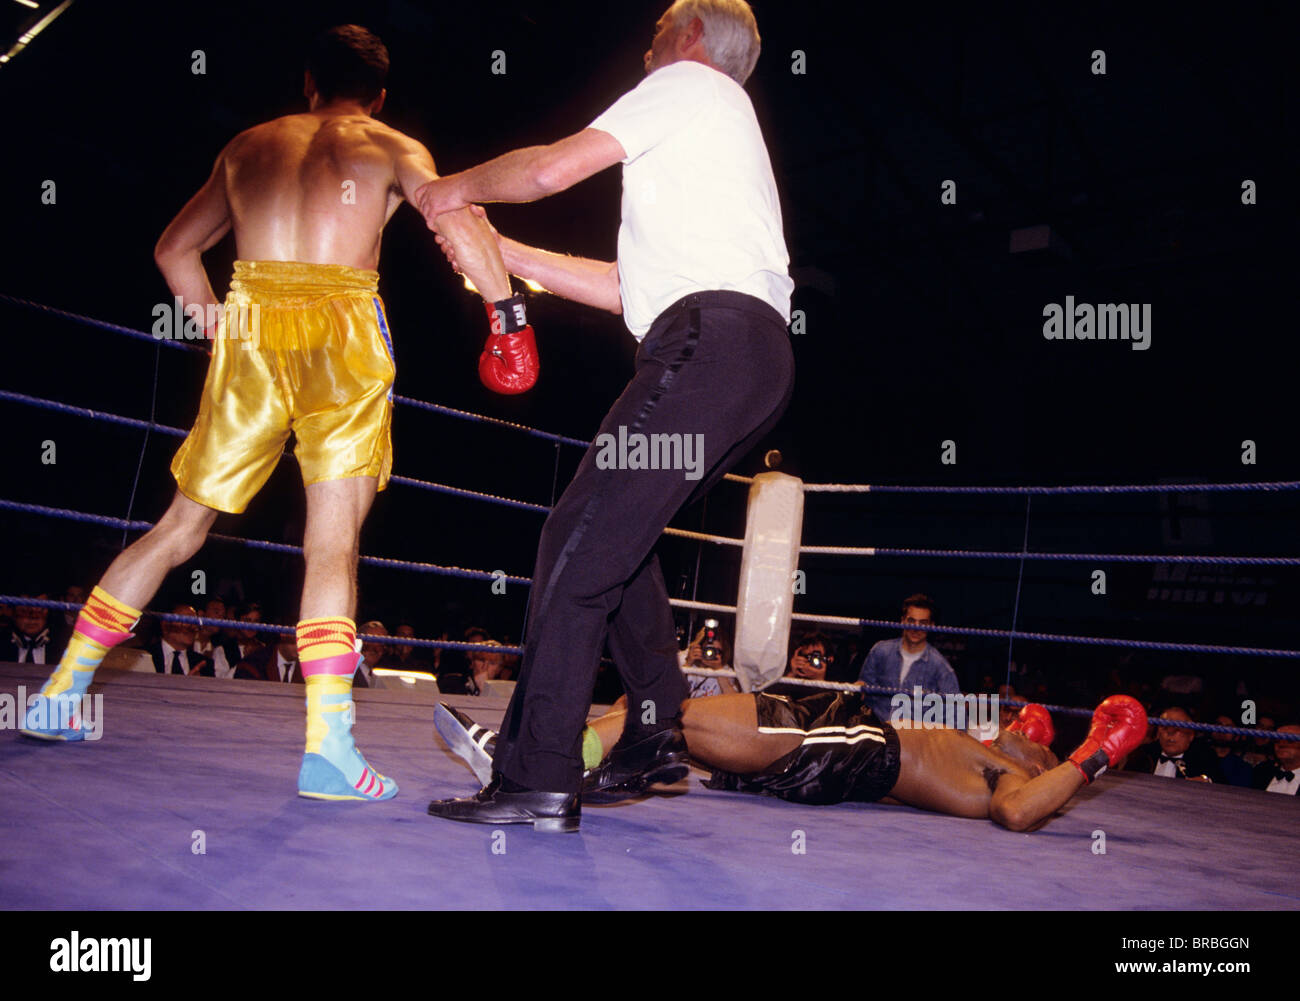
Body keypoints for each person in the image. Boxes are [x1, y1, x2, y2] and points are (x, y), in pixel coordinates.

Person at [20, 25, 524, 804]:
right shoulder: (392, 145)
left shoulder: (247, 147)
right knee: (333, 537)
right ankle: (328, 746)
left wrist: (218, 327)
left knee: (180, 524)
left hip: (251, 320)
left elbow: (172, 251)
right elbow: (447, 212)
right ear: (379, 94)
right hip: (343, 327)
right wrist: (506, 310)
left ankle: (57, 694)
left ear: (309, 83)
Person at [420, 0, 795, 832]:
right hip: (747, 356)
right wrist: (502, 251)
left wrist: (451, 190)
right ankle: (653, 731)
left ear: (692, 37)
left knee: (576, 540)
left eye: (662, 26)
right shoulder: (714, 143)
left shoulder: (688, 82)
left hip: (712, 346)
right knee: (619, 542)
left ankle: (538, 777)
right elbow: (629, 289)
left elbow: (551, 169)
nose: (649, 40)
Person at [433, 692, 1149, 833]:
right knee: (657, 709)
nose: (1021, 725)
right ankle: (551, 764)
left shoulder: (1016, 777)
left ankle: (528, 764)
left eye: (1034, 731)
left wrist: (1093, 755)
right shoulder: (985, 754)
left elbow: (1019, 812)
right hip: (838, 743)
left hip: (842, 747)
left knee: (673, 713)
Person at [858, 594, 960, 725]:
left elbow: (956, 717)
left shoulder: (941, 668)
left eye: (923, 623)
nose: (916, 627)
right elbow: (863, 687)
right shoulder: (880, 651)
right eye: (911, 621)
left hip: (916, 740)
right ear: (902, 621)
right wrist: (857, 689)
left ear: (932, 625)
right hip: (875, 732)